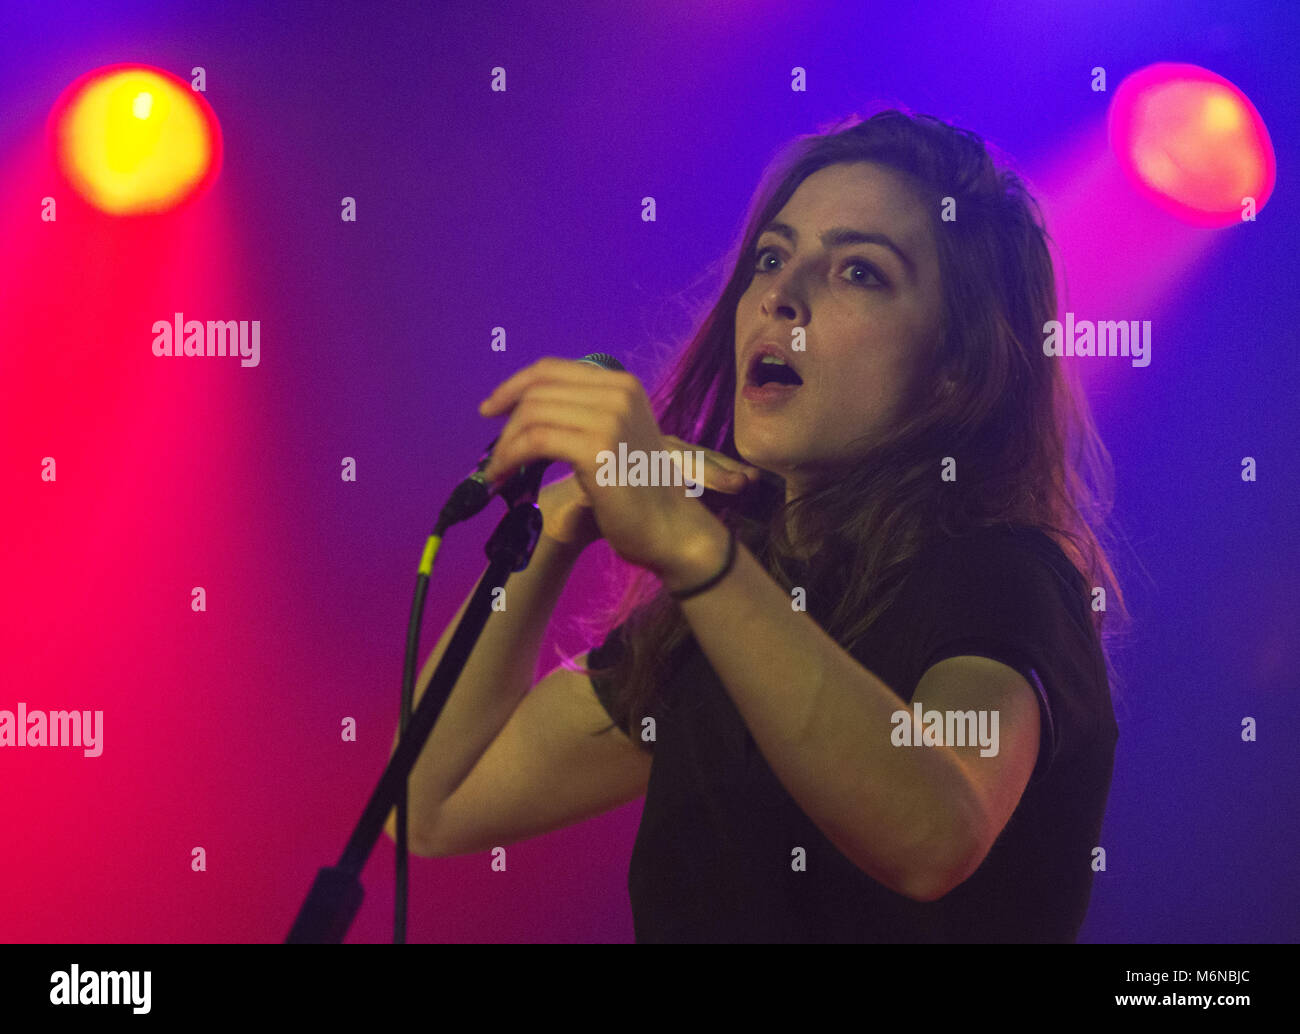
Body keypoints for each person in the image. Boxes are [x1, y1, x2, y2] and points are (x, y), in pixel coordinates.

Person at [386, 108, 1128, 943]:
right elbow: (428, 803)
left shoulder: (1002, 576)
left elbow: (935, 829)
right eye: (772, 258)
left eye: (859, 273)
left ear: (956, 368)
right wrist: (561, 519)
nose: (779, 294)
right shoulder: (736, 610)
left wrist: (693, 549)